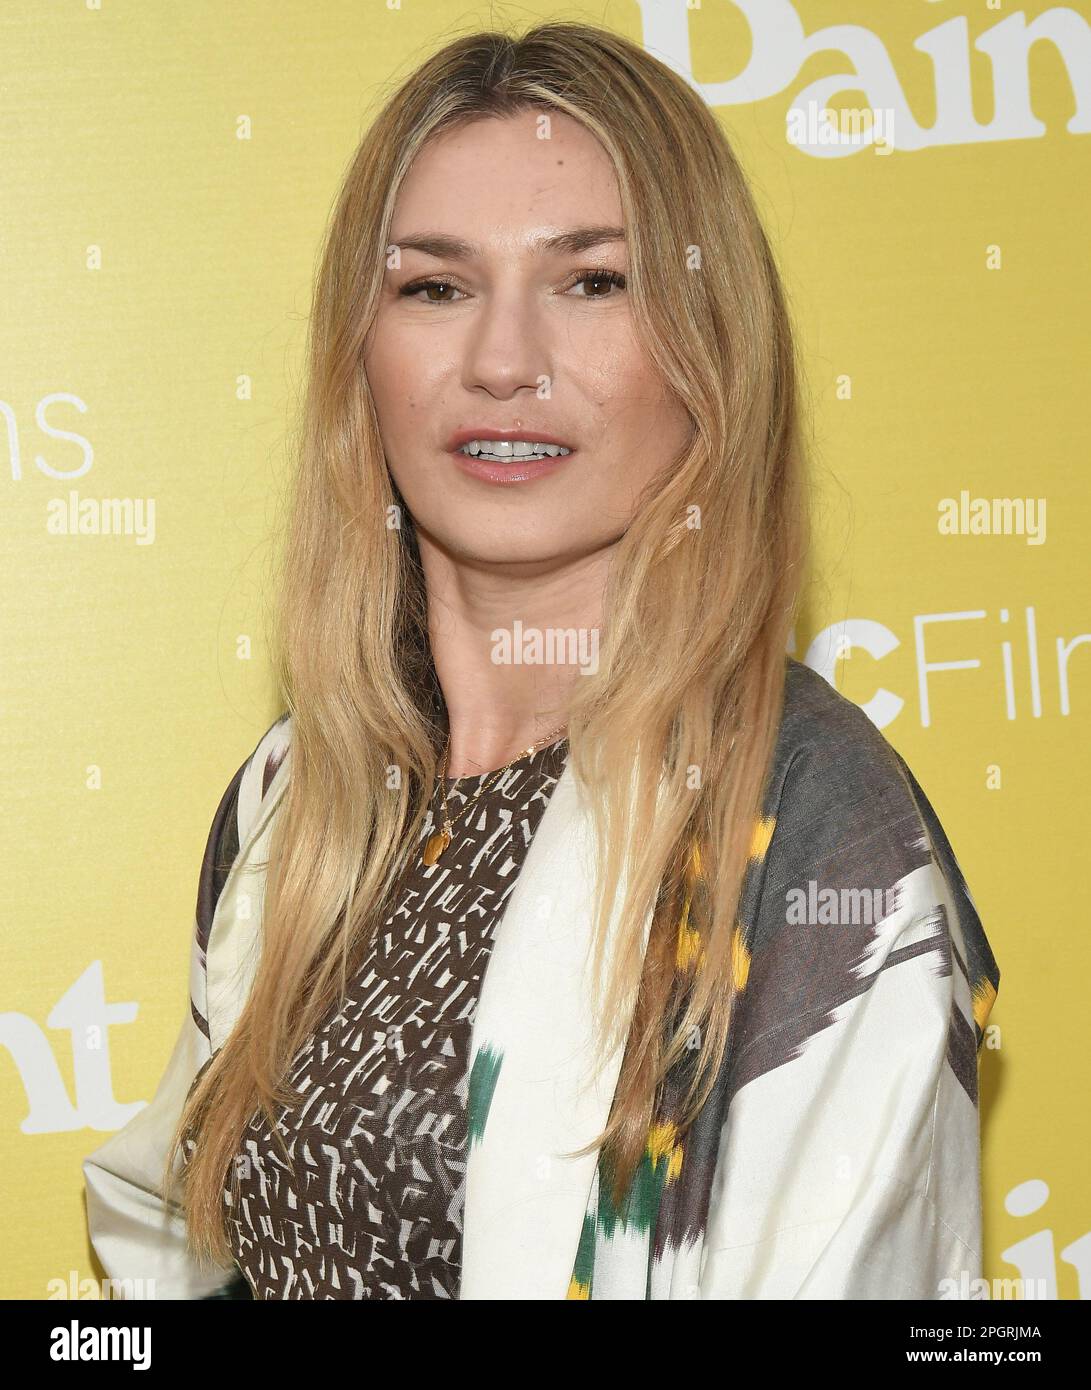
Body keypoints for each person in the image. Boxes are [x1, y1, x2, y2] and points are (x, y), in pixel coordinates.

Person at [82, 20, 1000, 1300]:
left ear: (708, 352)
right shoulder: (300, 801)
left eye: (591, 282)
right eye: (433, 287)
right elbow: (184, 1252)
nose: (502, 362)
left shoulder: (805, 821)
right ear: (362, 361)